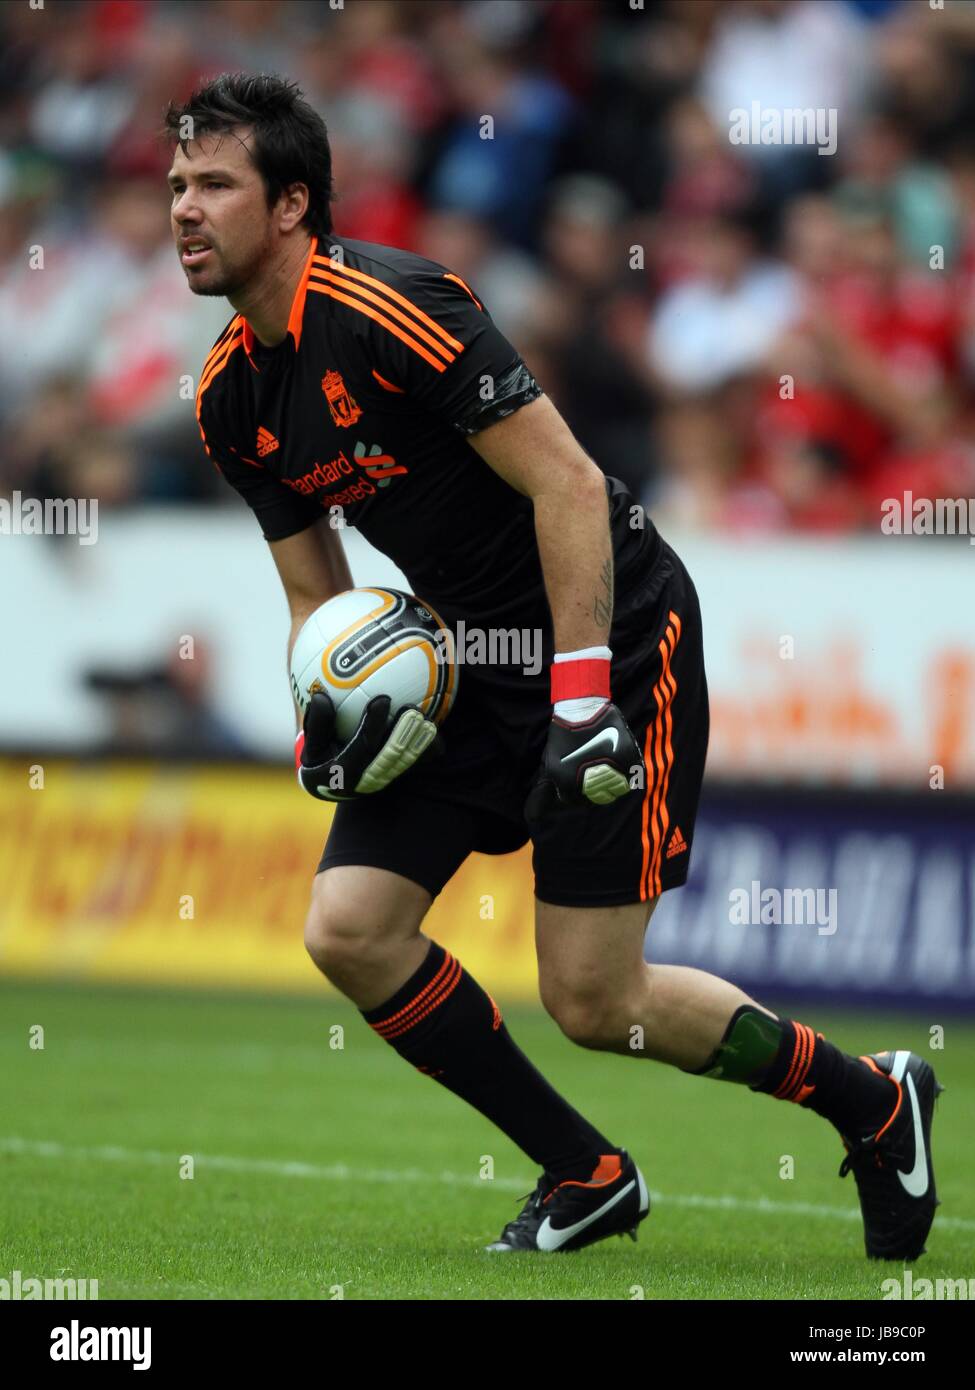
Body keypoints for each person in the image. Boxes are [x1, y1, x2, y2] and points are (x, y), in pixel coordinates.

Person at [167, 73, 940, 1257]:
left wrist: (581, 694)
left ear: (292, 206)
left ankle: (873, 1102)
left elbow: (570, 483)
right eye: (176, 183)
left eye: (214, 182)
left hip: (614, 634)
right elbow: (316, 594)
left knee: (597, 1002)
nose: (183, 206)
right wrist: (323, 716)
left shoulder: (397, 306)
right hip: (459, 659)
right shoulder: (230, 395)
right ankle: (586, 1172)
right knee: (350, 928)